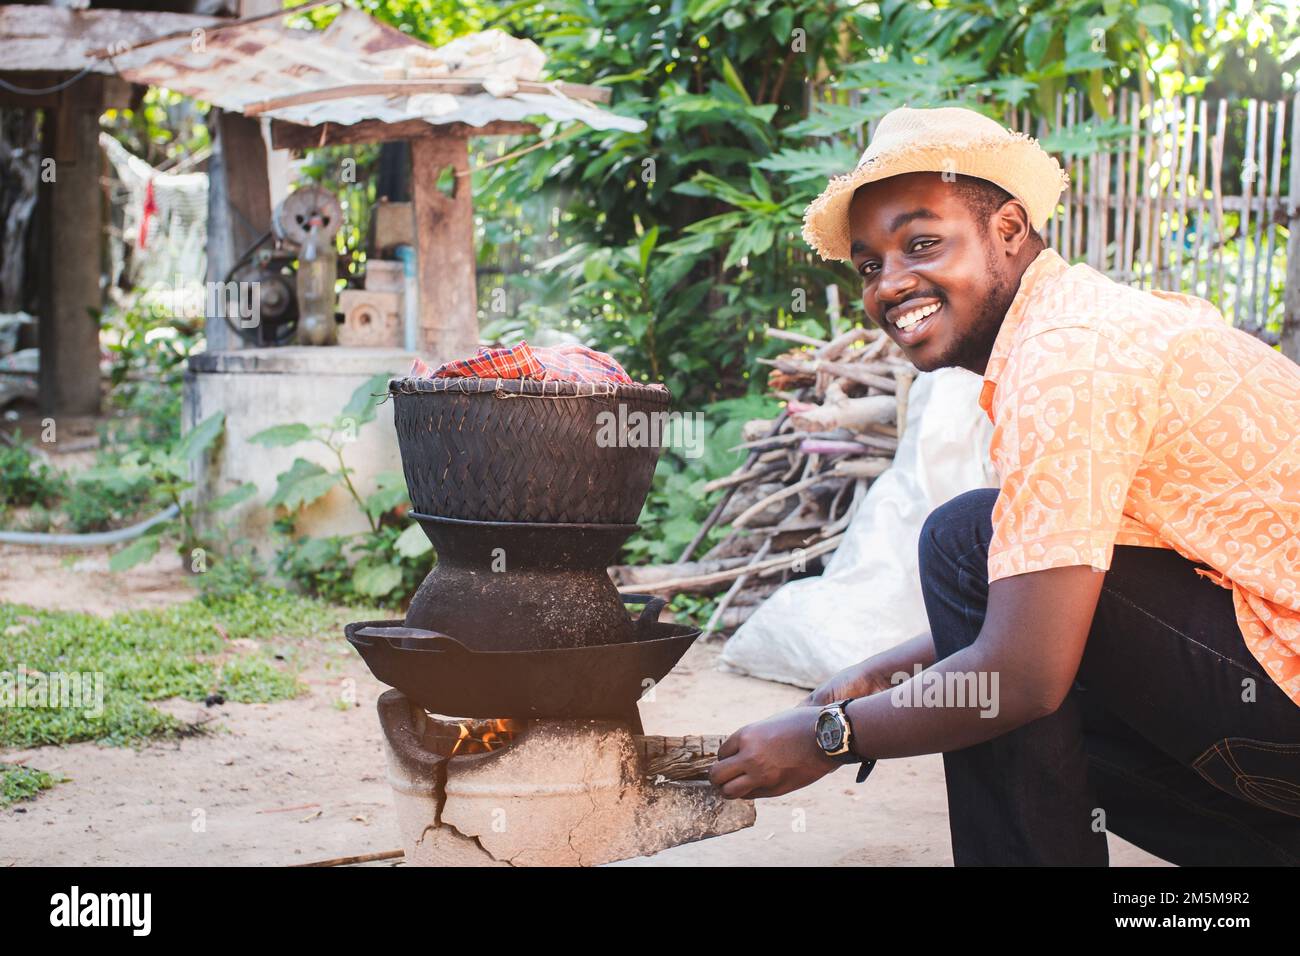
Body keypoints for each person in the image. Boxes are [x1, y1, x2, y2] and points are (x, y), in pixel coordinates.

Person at [708, 105, 1300, 866]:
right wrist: (895, 666)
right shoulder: (1085, 322)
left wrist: (828, 737)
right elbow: (1057, 580)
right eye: (868, 265)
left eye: (922, 243)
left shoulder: (1066, 355)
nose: (890, 285)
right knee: (994, 599)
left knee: (965, 547)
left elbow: (1020, 674)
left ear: (1010, 230)